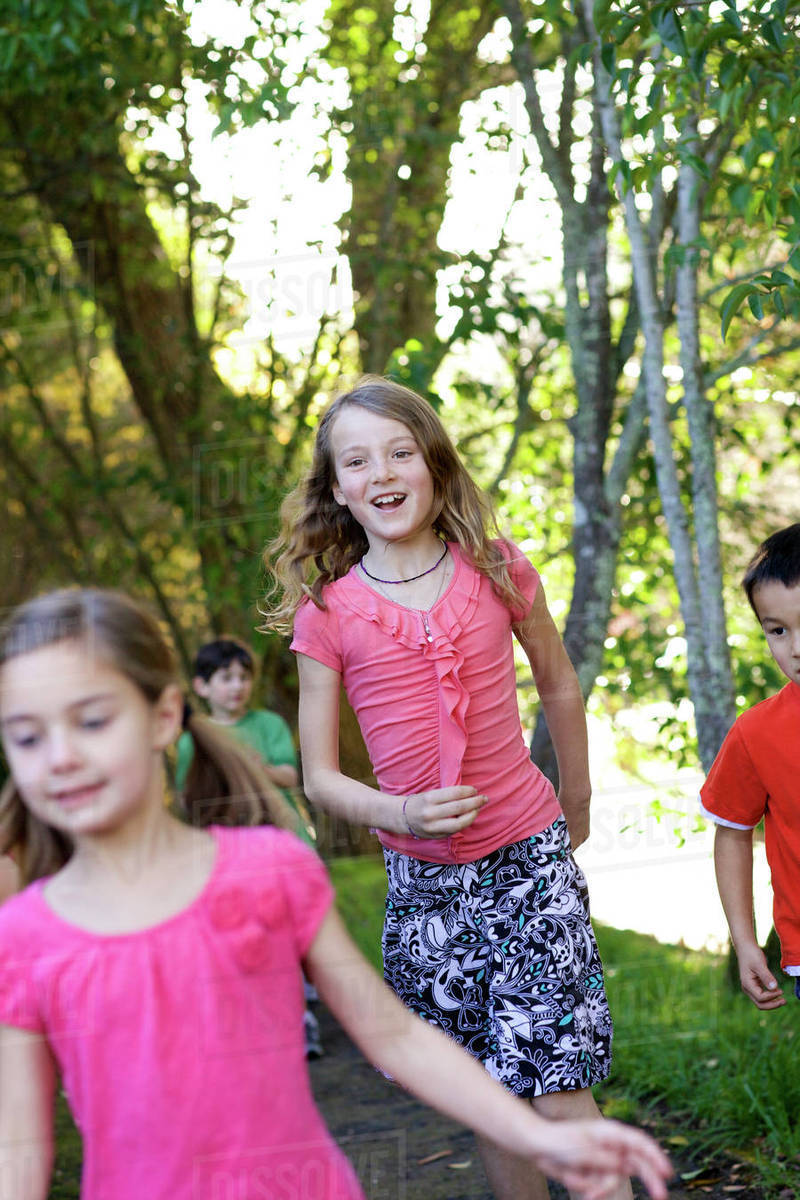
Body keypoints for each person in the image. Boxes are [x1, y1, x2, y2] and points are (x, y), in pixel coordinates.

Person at [0, 587, 671, 1200]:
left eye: (91, 722)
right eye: (27, 735)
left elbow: (395, 1035)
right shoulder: (23, 938)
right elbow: (20, 1153)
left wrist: (541, 1136)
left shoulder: (270, 872)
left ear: (163, 716)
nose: (59, 757)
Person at [263, 377, 635, 1200]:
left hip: (529, 861)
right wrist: (399, 813)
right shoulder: (328, 611)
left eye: (400, 451)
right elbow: (320, 777)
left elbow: (561, 687)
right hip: (424, 885)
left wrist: (574, 804)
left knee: (558, 1079)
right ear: (336, 490)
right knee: (492, 1096)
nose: (382, 472)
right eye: (356, 460)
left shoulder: (497, 569)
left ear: (433, 464)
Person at [175, 635, 324, 1056]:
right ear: (202, 687)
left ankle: (306, 1006)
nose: (237, 686)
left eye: (243, 677)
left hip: (282, 835)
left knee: (296, 924)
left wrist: (249, 765)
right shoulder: (193, 739)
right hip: (231, 849)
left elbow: (290, 776)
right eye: (226, 678)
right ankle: (275, 1013)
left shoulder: (268, 725)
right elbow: (191, 799)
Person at [700, 523, 800, 1010]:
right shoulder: (756, 733)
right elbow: (733, 833)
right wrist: (745, 942)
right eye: (778, 630)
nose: (795, 648)